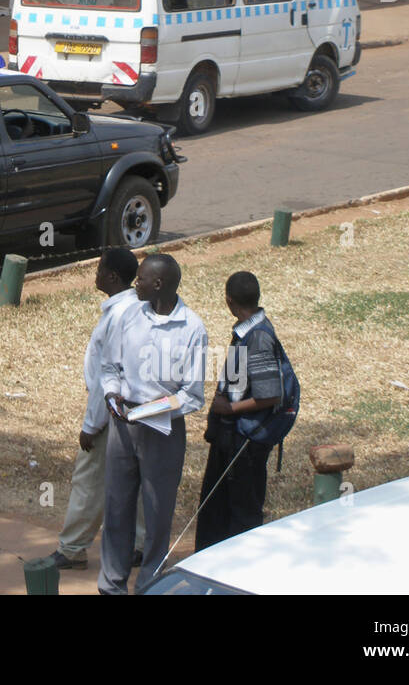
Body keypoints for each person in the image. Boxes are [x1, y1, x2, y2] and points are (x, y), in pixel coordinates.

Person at [97, 253, 207, 595]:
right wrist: (112, 393)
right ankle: (111, 584)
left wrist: (154, 410)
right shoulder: (129, 315)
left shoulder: (192, 328)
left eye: (141, 278)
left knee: (158, 512)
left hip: (163, 432)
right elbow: (109, 366)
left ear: (158, 284)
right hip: (122, 425)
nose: (135, 283)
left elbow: (192, 394)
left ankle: (149, 585)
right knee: (116, 506)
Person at [43, 247, 144, 572]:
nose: (95, 274)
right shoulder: (132, 308)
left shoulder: (118, 315)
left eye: (100, 268)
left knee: (88, 480)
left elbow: (106, 376)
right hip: (131, 412)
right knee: (135, 478)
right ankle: (138, 545)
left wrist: (91, 425)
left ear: (112, 276)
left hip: (110, 412)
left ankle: (72, 548)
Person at [194, 271, 284, 552]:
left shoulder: (258, 338)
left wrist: (229, 407)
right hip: (231, 438)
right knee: (216, 511)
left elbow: (270, 395)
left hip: (245, 444)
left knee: (241, 517)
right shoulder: (247, 330)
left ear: (229, 301)